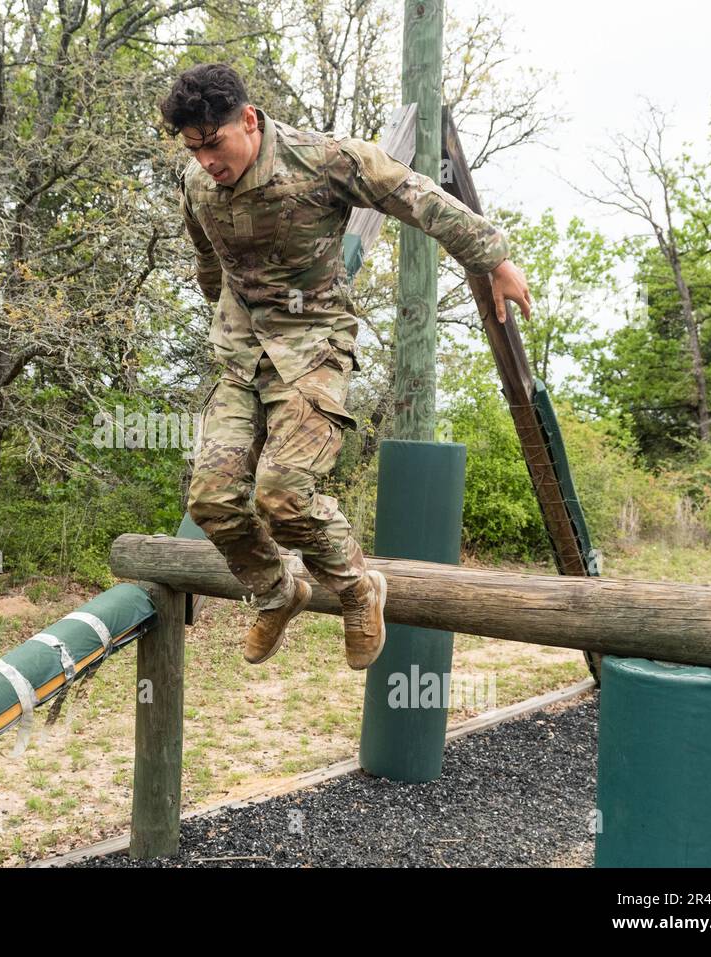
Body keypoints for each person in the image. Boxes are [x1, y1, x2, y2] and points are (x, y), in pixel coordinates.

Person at [162, 63, 532, 670]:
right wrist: (219, 307)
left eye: (215, 143)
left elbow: (419, 198)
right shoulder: (195, 183)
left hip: (312, 351)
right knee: (212, 499)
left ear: (248, 121)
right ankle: (276, 593)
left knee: (282, 495)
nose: (206, 160)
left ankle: (359, 587)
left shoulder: (327, 160)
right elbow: (207, 255)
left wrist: (495, 259)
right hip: (241, 356)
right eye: (193, 148)